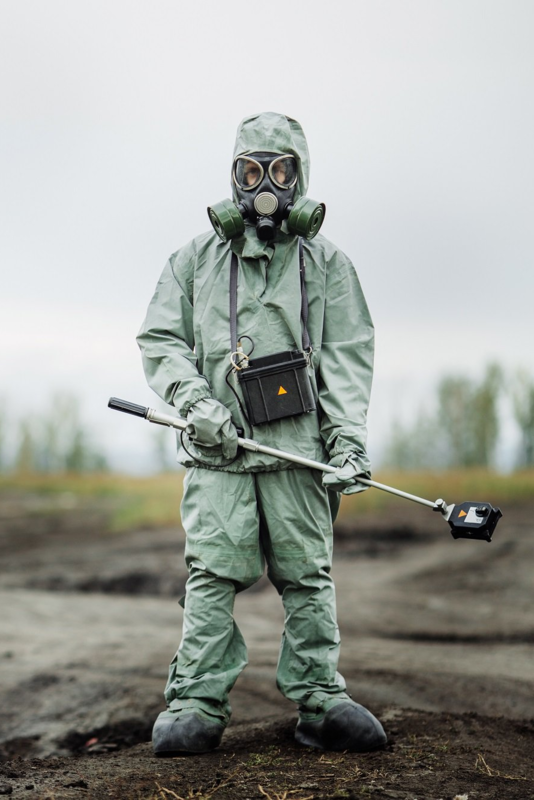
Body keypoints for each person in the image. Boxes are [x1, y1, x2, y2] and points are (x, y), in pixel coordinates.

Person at [136, 112, 386, 755]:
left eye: (279, 171)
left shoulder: (328, 263)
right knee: (213, 574)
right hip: (219, 454)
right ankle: (196, 702)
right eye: (250, 171)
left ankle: (320, 698)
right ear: (234, 176)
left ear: (300, 177)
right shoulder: (194, 259)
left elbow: (348, 358)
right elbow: (161, 339)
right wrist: (194, 402)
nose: (264, 186)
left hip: (297, 454)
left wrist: (347, 440)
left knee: (308, 574)